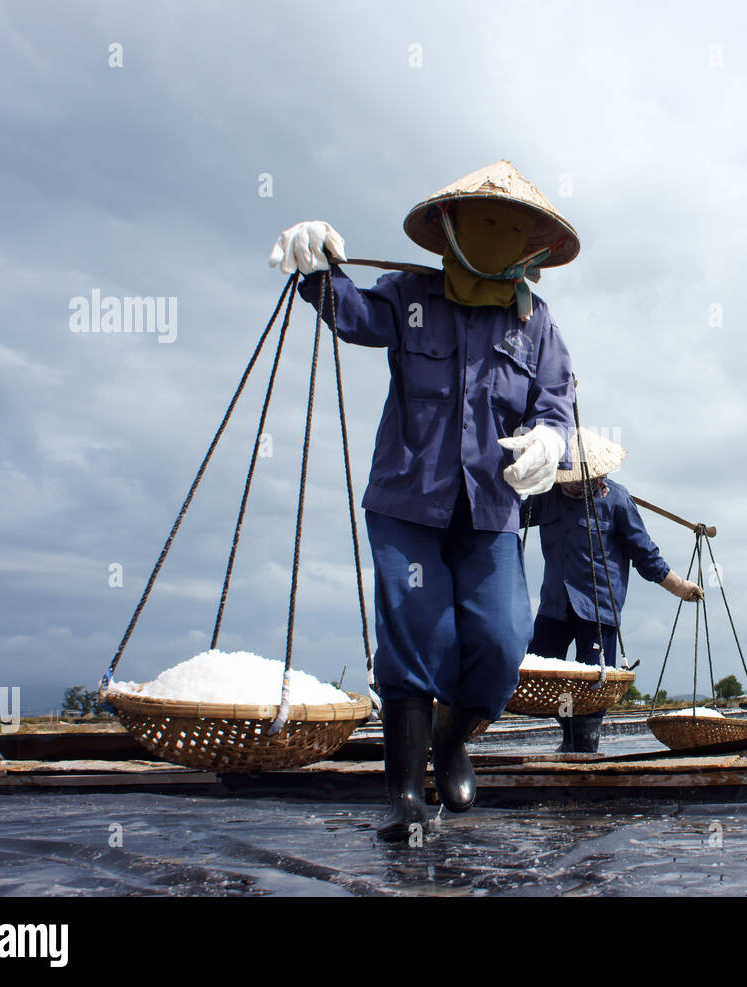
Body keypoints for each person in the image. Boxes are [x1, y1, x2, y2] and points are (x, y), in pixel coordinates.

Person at [269, 160, 578, 841]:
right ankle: (406, 791)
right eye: (485, 222)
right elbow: (350, 314)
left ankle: (453, 740)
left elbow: (557, 401)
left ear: (534, 245)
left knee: (502, 639)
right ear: (450, 229)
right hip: (409, 499)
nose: (500, 235)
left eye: (514, 228)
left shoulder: (539, 326)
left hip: (491, 512)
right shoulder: (411, 296)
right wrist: (316, 267)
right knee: (420, 634)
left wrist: (552, 441)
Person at [525, 428, 702, 752]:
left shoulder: (617, 500)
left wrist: (679, 587)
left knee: (594, 681)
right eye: (569, 480)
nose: (576, 486)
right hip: (554, 604)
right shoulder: (547, 497)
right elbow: (508, 516)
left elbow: (644, 553)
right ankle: (569, 735)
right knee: (539, 672)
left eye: (584, 480)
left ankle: (584, 745)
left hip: (597, 606)